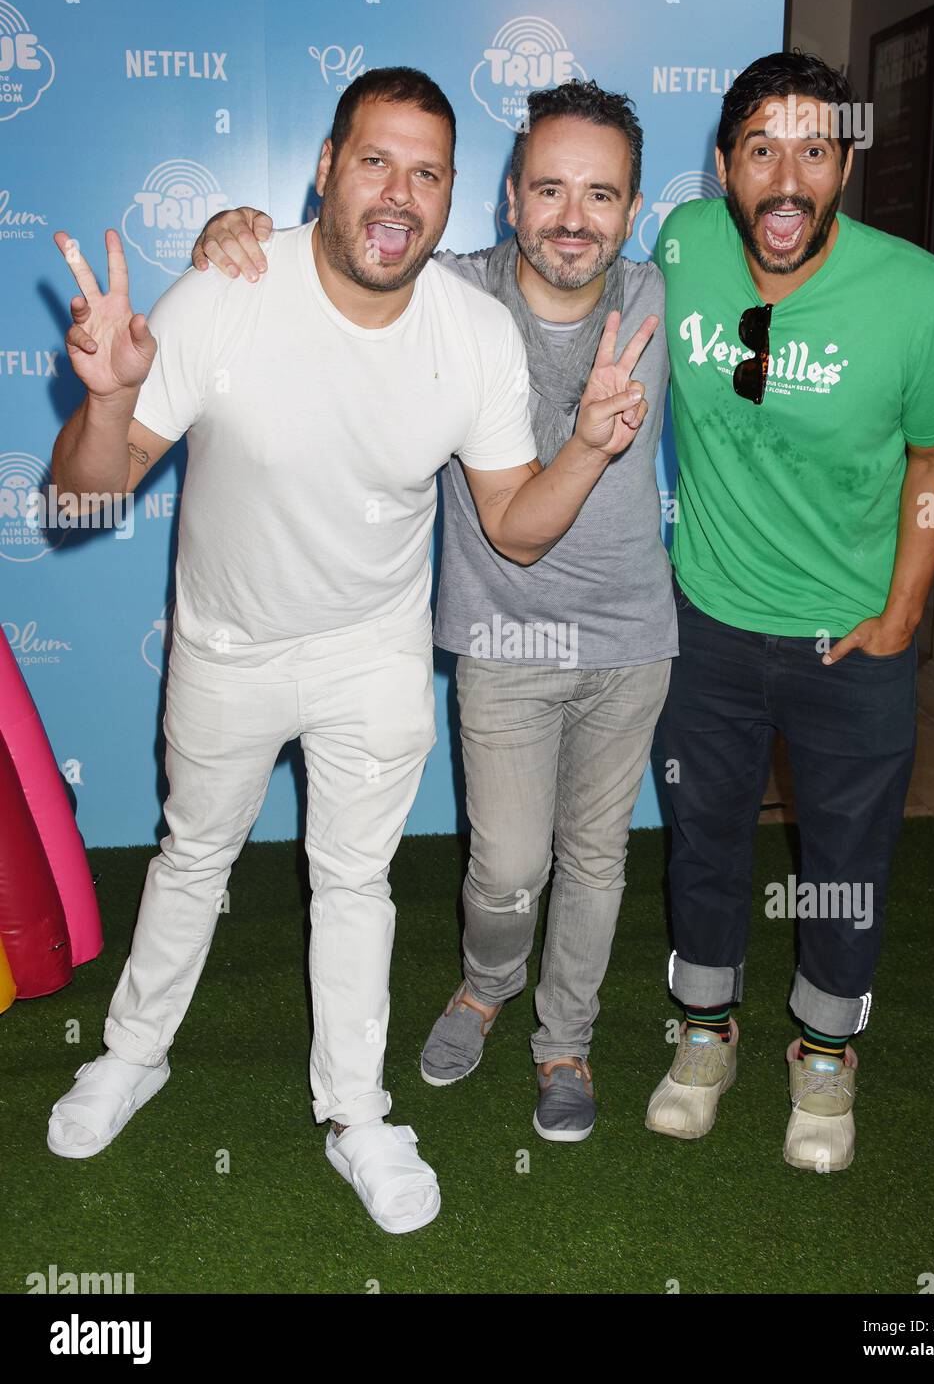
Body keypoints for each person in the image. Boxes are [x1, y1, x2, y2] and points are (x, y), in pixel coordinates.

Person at [45, 67, 656, 1234]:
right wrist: (114, 402)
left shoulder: (473, 334)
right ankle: (132, 1053)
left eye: (426, 171)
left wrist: (583, 446)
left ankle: (360, 1115)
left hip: (372, 656)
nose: (398, 193)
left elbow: (517, 528)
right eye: (375, 160)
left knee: (355, 885)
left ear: (452, 197)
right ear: (324, 169)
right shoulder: (229, 287)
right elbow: (85, 496)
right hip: (225, 648)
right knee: (190, 858)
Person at [192, 79, 675, 1144]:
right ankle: (484, 985)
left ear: (632, 212)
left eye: (600, 196)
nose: (571, 217)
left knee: (596, 858)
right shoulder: (447, 289)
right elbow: (332, 259)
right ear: (507, 198)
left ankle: (565, 1038)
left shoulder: (658, 297)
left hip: (633, 640)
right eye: (548, 188)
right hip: (501, 638)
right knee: (506, 865)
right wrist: (229, 234)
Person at [646, 52, 934, 1170]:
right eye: (760, 149)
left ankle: (826, 1057)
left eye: (813, 148)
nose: (785, 178)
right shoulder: (682, 248)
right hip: (706, 627)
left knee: (844, 860)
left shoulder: (918, 292)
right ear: (724, 166)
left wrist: (900, 614)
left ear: (845, 160)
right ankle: (702, 1032)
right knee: (701, 842)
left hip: (852, 643)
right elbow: (535, 269)